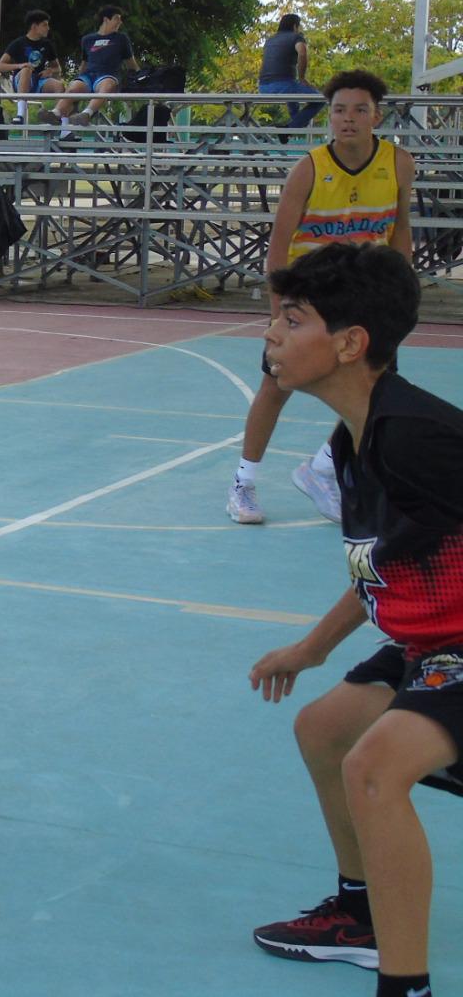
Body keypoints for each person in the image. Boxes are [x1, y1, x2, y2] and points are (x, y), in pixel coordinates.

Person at [247, 242, 462, 997]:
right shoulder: (353, 440)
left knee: (376, 765)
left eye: (291, 319)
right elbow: (385, 567)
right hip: (428, 642)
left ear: (349, 342)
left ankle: (408, 987)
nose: (270, 333)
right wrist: (309, 649)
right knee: (325, 727)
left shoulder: (416, 438)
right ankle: (363, 917)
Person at [226, 70, 414, 525]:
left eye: (358, 110)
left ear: (376, 115)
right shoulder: (309, 168)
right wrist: (279, 315)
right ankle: (243, 483)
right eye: (339, 110)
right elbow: (278, 245)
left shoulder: (399, 163)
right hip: (308, 294)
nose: (347, 119)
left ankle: (323, 470)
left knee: (374, 388)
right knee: (277, 384)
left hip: (361, 295)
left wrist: (400, 287)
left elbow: (401, 229)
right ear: (329, 117)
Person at [56, 5, 139, 126]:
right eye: (117, 18)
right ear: (106, 20)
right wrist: (78, 78)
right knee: (73, 87)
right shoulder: (87, 39)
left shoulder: (121, 38)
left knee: (107, 85)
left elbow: (132, 63)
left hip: (108, 75)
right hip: (89, 76)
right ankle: (54, 113)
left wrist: (138, 79)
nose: (120, 22)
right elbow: (84, 63)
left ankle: (86, 114)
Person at [0, 9, 65, 123]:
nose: (48, 28)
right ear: (34, 26)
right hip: (22, 80)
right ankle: (20, 114)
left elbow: (58, 68)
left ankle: (60, 121)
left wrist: (50, 71)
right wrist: (20, 66)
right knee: (27, 70)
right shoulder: (18, 43)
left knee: (59, 86)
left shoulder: (47, 44)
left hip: (39, 81)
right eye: (44, 25)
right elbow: (0, 66)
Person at [260, 13, 325, 129]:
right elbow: (302, 53)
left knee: (293, 94)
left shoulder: (269, 41)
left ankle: (294, 126)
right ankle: (291, 128)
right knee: (320, 99)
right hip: (283, 85)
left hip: (263, 87)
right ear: (295, 26)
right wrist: (302, 78)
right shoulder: (296, 37)